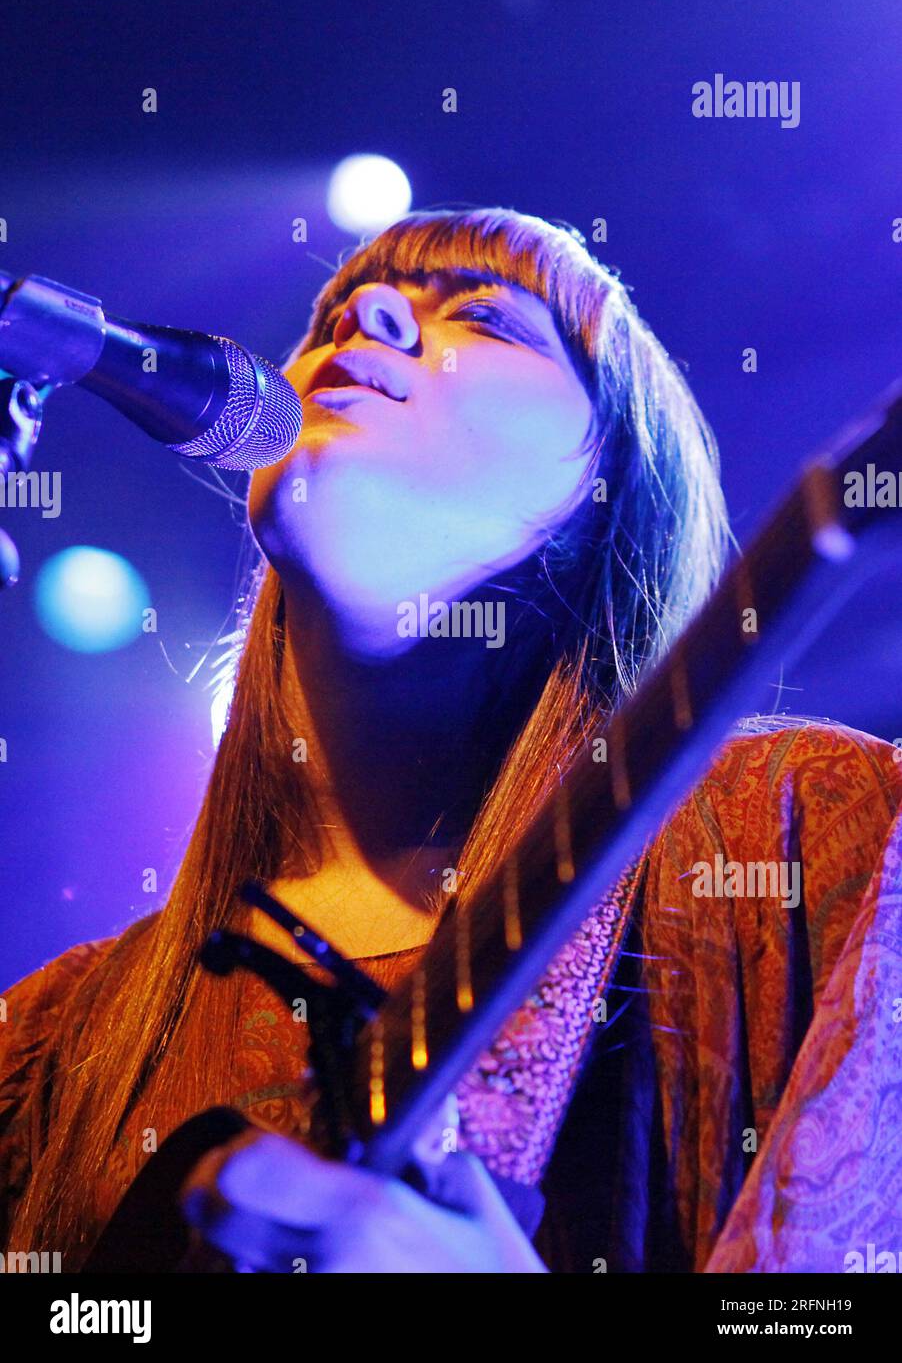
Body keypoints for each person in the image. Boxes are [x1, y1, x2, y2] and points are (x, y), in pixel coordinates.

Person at [2, 208, 900, 1273]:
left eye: (488, 317)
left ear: (611, 492)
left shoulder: (807, 831)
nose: (362, 312)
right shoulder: (54, 1040)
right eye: (334, 311)